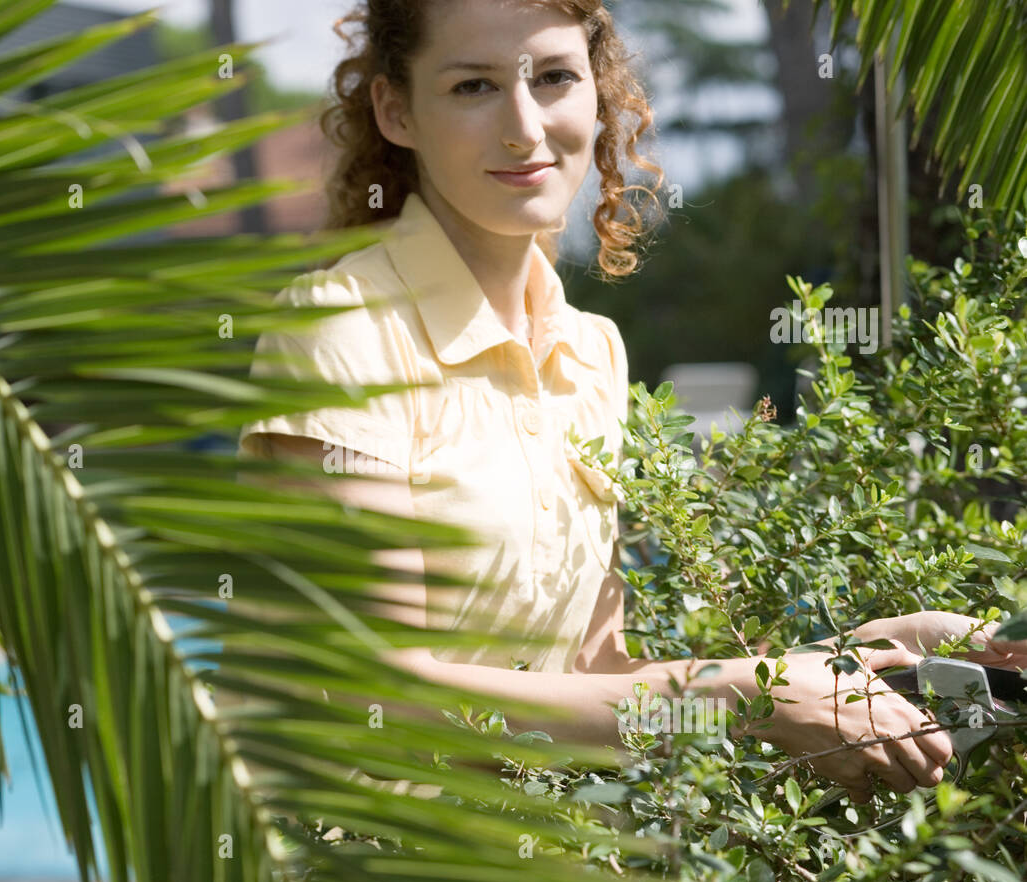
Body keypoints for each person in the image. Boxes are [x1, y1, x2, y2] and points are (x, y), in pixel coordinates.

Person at [236, 0, 1027, 803]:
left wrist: (868, 655)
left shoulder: (589, 352)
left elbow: (597, 678)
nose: (523, 127)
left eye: (553, 78)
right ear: (396, 110)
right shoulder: (340, 332)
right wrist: (754, 698)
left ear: (598, 93)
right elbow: (388, 704)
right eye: (473, 86)